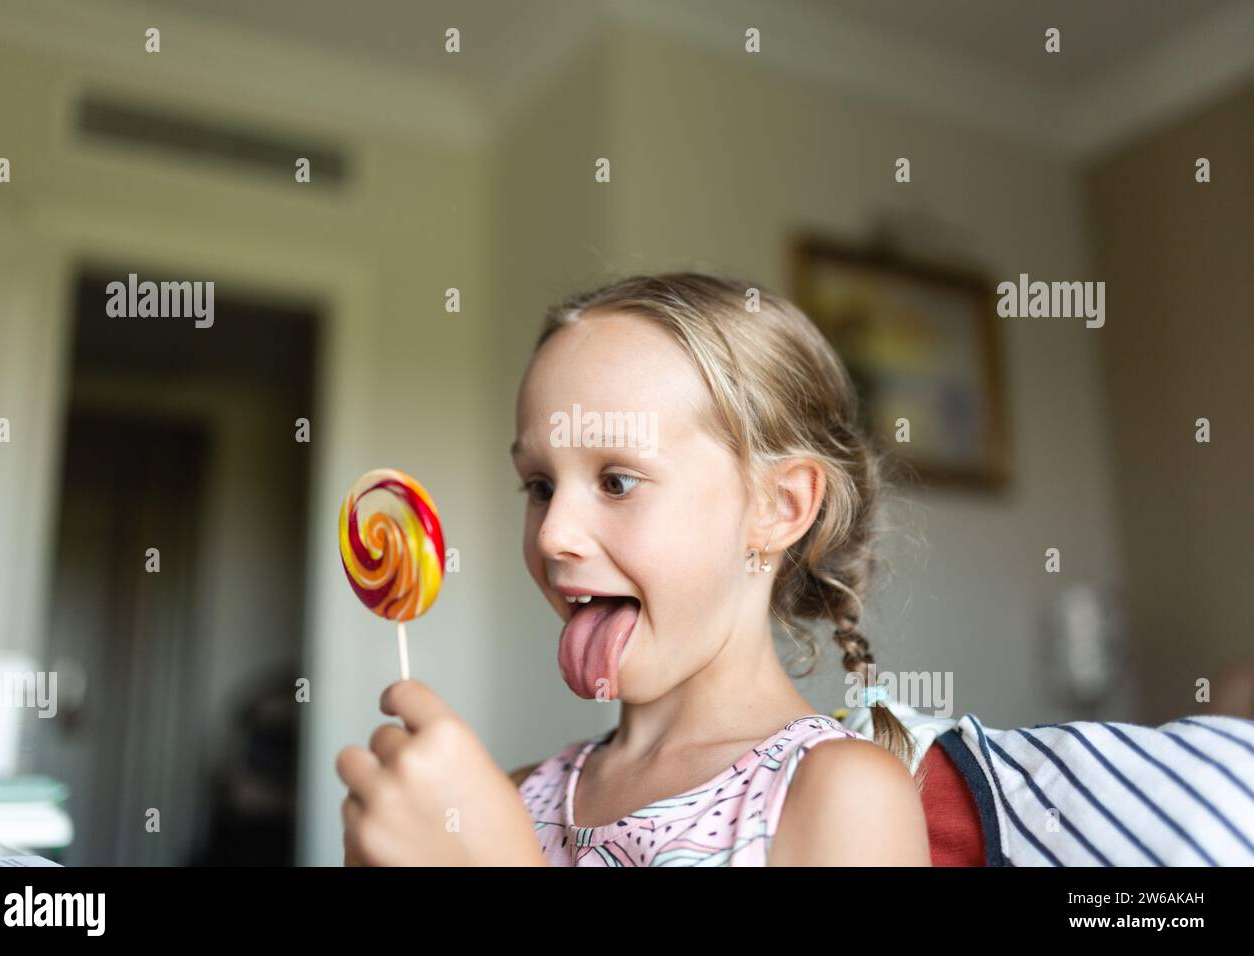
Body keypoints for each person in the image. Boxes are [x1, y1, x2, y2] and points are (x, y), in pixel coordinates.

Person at [337, 272, 931, 866]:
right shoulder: (514, 798)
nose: (553, 534)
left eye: (617, 481)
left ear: (780, 506)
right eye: (540, 486)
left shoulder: (843, 794)